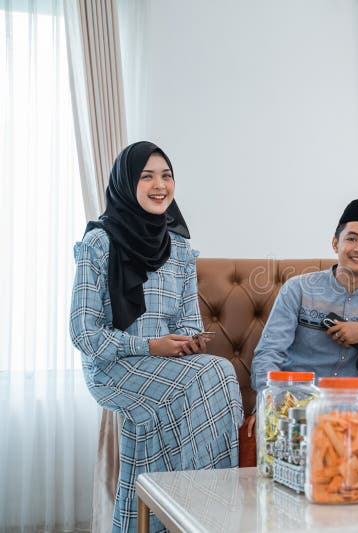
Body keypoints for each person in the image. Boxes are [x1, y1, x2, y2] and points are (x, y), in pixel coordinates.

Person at [70, 142, 243, 533]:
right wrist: (149, 346)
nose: (159, 185)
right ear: (126, 183)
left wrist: (188, 342)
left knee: (213, 372)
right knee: (211, 374)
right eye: (146, 176)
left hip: (166, 366)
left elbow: (189, 321)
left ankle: (178, 517)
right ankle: (206, 516)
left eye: (166, 176)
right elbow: (83, 332)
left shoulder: (179, 248)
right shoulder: (99, 243)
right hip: (112, 368)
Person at [246, 198, 358, 472]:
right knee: (254, 436)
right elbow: (269, 353)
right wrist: (268, 405)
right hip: (295, 405)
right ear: (336, 243)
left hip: (352, 410)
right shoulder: (298, 289)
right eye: (352, 239)